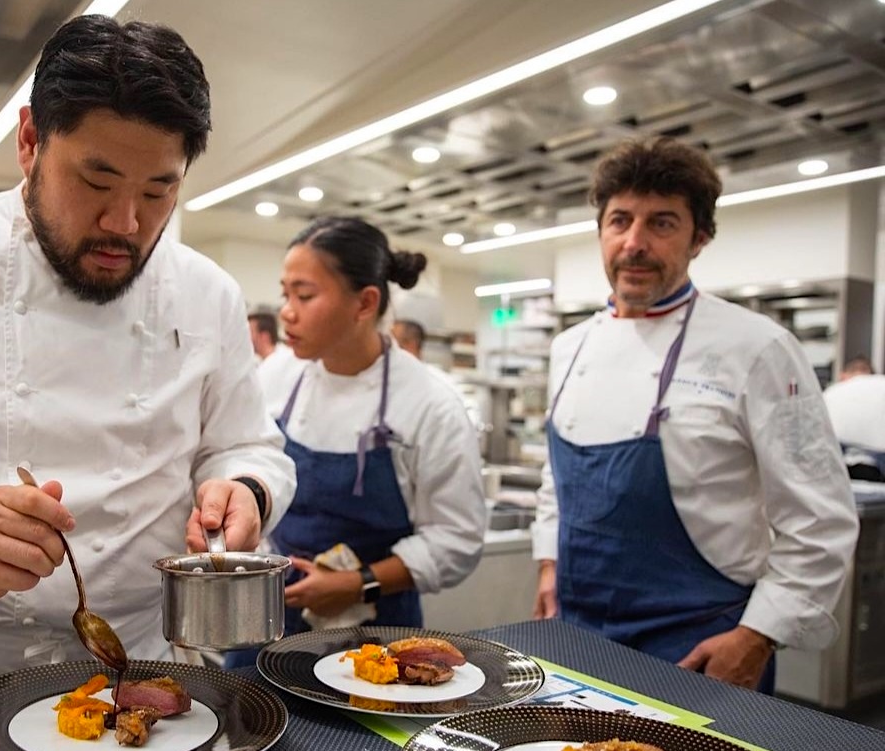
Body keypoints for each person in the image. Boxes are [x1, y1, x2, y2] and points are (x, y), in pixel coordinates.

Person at [0, 15, 296, 713]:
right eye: (97, 180)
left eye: (158, 190)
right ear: (30, 141)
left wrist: (243, 489)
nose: (126, 223)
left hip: (152, 680)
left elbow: (248, 445)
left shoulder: (206, 291)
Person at [530, 136, 857, 692]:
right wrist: (548, 565)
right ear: (600, 231)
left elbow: (820, 518)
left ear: (699, 237)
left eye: (661, 223)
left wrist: (757, 636)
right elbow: (556, 482)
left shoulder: (757, 348)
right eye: (619, 221)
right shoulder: (570, 346)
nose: (634, 243)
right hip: (578, 633)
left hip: (697, 644)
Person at [228, 217, 485, 664]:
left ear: (365, 303)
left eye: (305, 296)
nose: (287, 311)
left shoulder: (428, 404)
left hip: (377, 633)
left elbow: (455, 538)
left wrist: (357, 582)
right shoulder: (277, 376)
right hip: (269, 619)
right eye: (286, 294)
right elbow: (246, 461)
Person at [823, 363, 885, 481]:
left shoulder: (832, 391)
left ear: (842, 376)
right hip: (878, 462)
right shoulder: (880, 385)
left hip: (838, 463)